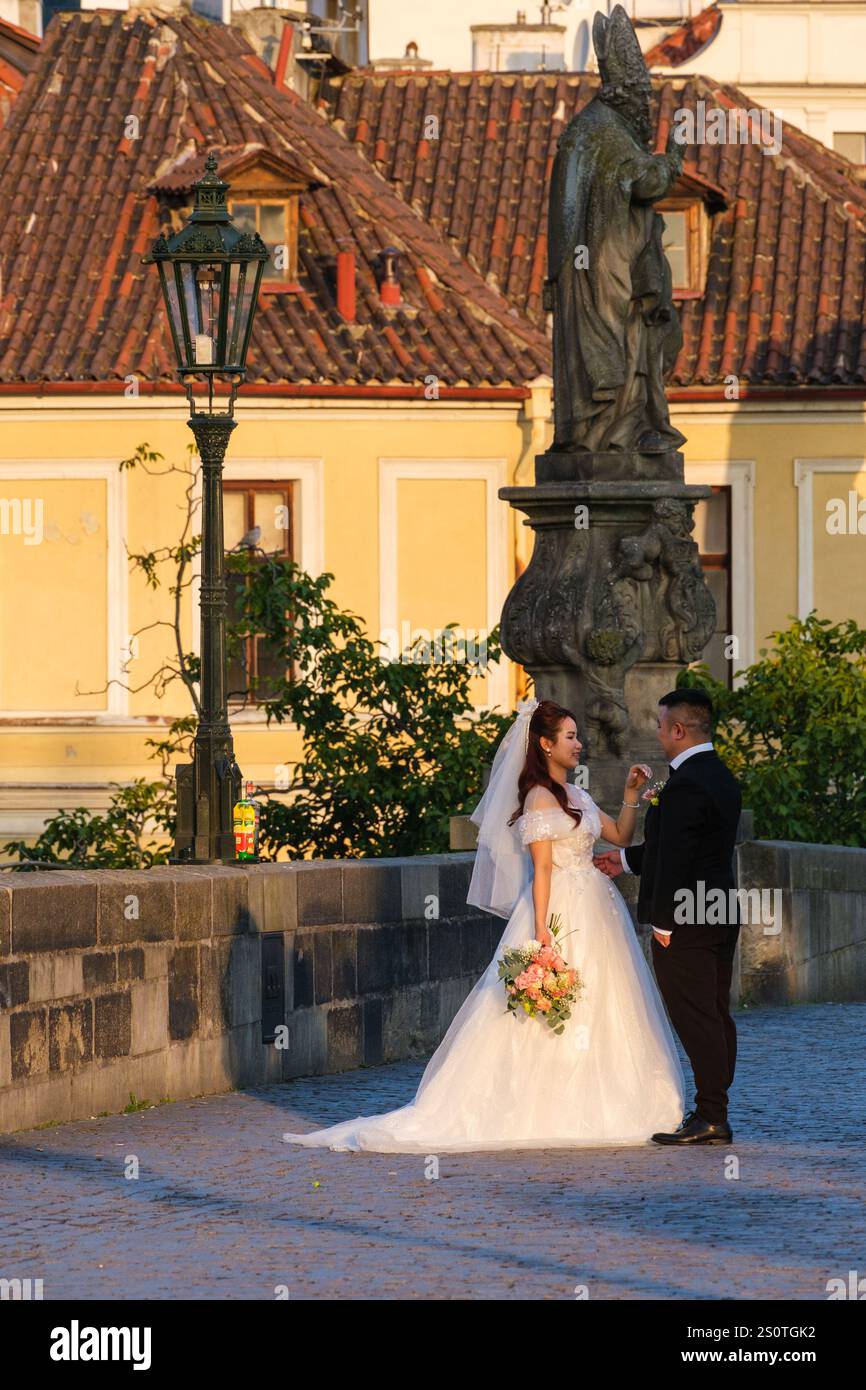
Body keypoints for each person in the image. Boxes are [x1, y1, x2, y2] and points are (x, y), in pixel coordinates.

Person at [281, 698, 685, 1153]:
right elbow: (544, 870)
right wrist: (543, 931)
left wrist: (633, 796)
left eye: (577, 736)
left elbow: (620, 837)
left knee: (606, 1001)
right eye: (570, 737)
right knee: (555, 1007)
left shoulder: (577, 795)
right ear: (546, 745)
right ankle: (547, 1104)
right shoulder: (538, 798)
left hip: (598, 907)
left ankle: (611, 1097)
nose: (579, 744)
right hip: (562, 910)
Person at [594, 688, 742, 1146]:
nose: (657, 734)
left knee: (695, 1015)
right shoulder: (719, 776)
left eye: (660, 726)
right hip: (718, 910)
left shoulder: (686, 783)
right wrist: (628, 860)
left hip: (685, 919)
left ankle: (712, 1117)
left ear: (678, 730)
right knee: (715, 1012)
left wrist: (662, 921)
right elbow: (686, 848)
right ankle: (714, 1110)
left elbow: (677, 858)